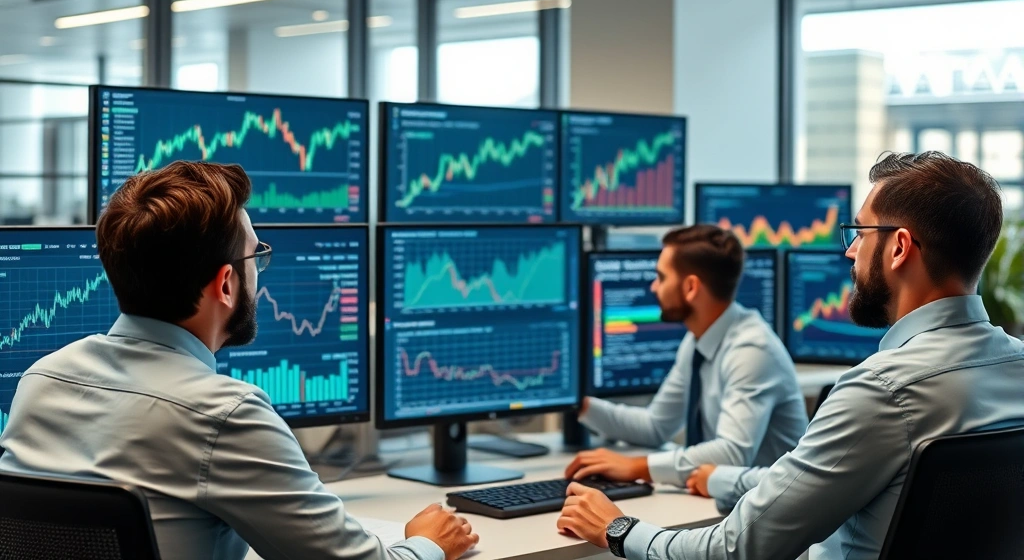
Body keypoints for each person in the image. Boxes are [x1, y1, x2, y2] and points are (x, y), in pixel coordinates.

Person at [556, 151, 1024, 560]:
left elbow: (738, 550)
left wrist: (618, 529)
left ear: (899, 247)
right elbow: (811, 481)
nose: (851, 252)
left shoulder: (880, 392)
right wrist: (721, 479)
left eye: (859, 232)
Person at [0, 161, 478, 560]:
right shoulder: (223, 414)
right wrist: (427, 543)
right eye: (256, 258)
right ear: (226, 284)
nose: (259, 274)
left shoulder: (40, 380)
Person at [564, 225, 807, 488]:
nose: (654, 287)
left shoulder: (752, 350)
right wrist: (579, 403)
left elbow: (732, 454)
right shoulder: (697, 341)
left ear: (691, 287)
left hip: (770, 505)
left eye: (661, 277)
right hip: (724, 499)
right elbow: (656, 426)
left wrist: (636, 467)